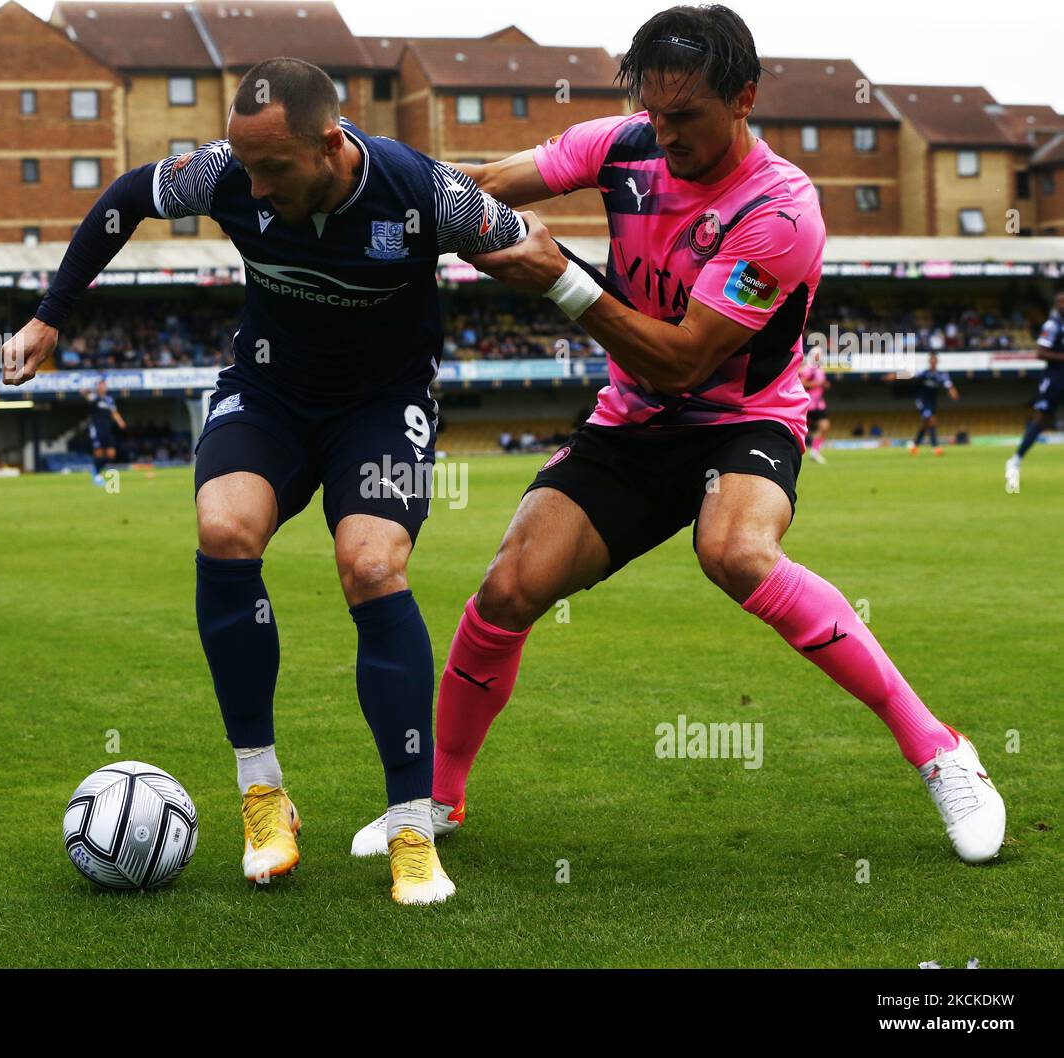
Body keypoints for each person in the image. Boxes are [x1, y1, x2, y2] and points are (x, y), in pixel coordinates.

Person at [351, 3, 1005, 869]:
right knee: (507, 590)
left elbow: (684, 364)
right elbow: (472, 187)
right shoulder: (623, 144)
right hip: (632, 425)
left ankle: (941, 751)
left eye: (685, 116)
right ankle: (438, 799)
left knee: (734, 550)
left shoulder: (780, 209)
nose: (664, 134)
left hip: (742, 419)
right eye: (654, 113)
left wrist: (563, 280)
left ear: (744, 97)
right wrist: (361, 193)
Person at [1, 57, 526, 904]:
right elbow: (127, 197)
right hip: (268, 393)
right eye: (244, 167)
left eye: (272, 168)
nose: (252, 185)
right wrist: (49, 315)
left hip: (381, 409)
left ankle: (411, 830)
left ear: (331, 142)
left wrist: (620, 322)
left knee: (371, 565)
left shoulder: (426, 190)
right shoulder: (228, 174)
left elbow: (536, 249)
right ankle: (264, 795)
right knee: (224, 528)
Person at [1005, 291, 1064, 491]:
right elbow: (1040, 352)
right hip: (1055, 379)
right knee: (1041, 420)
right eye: (1061, 302)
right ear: (1056, 305)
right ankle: (1016, 459)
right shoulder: (1052, 325)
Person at [909, 353, 958, 455]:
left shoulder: (941, 375)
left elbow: (948, 385)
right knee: (932, 421)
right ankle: (936, 447)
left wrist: (952, 392)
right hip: (922, 400)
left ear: (936, 362)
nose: (932, 363)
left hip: (932, 402)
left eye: (934, 361)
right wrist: (894, 375)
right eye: (931, 361)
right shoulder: (924, 373)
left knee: (926, 424)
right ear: (929, 362)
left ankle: (914, 444)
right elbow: (910, 374)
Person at [82, 378, 126, 485]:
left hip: (107, 429)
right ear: (97, 387)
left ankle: (96, 470)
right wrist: (85, 392)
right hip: (97, 429)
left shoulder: (109, 399)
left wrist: (120, 421)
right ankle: (96, 475)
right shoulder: (94, 397)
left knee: (111, 454)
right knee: (99, 452)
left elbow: (114, 412)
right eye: (101, 385)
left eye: (104, 385)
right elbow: (86, 396)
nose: (103, 387)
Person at [800, 352, 830, 463]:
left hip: (818, 404)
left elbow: (821, 383)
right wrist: (817, 383)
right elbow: (802, 383)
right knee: (801, 430)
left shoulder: (820, 369)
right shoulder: (807, 369)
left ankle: (814, 452)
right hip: (807, 404)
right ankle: (797, 451)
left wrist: (824, 384)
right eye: (818, 355)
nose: (820, 357)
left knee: (825, 426)